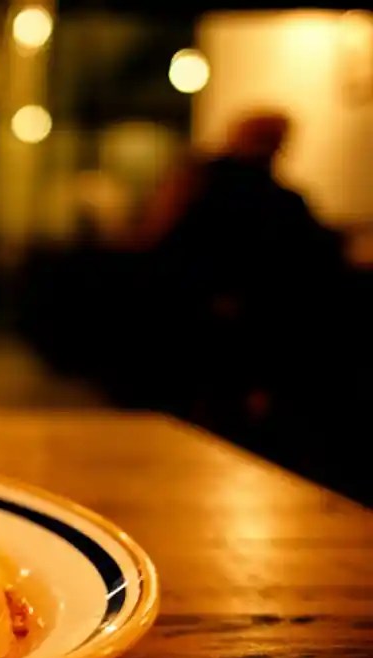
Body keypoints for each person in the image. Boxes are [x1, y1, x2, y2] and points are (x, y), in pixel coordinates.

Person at [138, 111, 345, 457]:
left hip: (191, 323)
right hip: (243, 328)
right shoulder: (267, 196)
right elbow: (312, 255)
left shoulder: (196, 180)